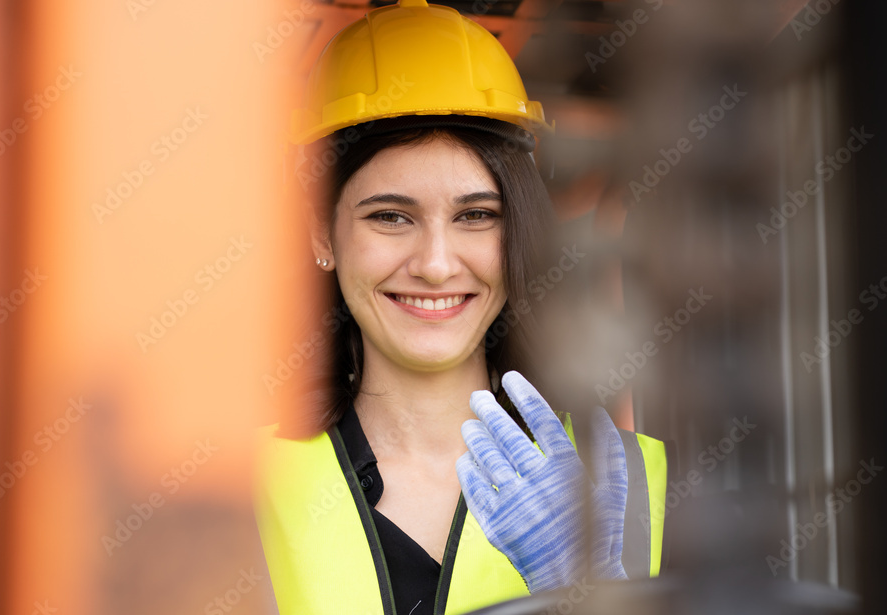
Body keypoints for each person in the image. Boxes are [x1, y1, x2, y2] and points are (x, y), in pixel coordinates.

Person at [254, 2, 670, 614]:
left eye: (476, 216)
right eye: (391, 217)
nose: (437, 264)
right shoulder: (241, 490)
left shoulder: (636, 481)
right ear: (322, 231)